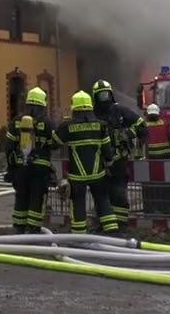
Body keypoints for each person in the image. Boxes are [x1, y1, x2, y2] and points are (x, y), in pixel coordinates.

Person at [52, 91, 119, 235]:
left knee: (77, 202)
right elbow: (107, 151)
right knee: (102, 199)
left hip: (77, 176)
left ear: (74, 108)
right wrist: (108, 165)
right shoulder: (101, 126)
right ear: (90, 107)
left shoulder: (67, 126)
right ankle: (112, 230)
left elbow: (54, 143)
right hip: (98, 174)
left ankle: (79, 234)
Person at [92, 79, 147, 232]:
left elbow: (141, 125)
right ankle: (103, 224)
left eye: (106, 94)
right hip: (99, 162)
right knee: (101, 194)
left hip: (118, 161)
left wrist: (129, 133)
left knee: (118, 194)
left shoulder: (120, 111)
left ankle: (121, 225)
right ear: (95, 97)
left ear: (110, 94)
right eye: (100, 95)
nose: (103, 98)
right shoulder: (92, 115)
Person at [3, 86, 56, 234]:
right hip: (41, 167)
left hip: (21, 166)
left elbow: (8, 146)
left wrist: (11, 167)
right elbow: (55, 143)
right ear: (42, 105)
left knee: (21, 196)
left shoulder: (17, 121)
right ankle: (33, 228)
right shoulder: (48, 122)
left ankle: (19, 227)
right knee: (37, 197)